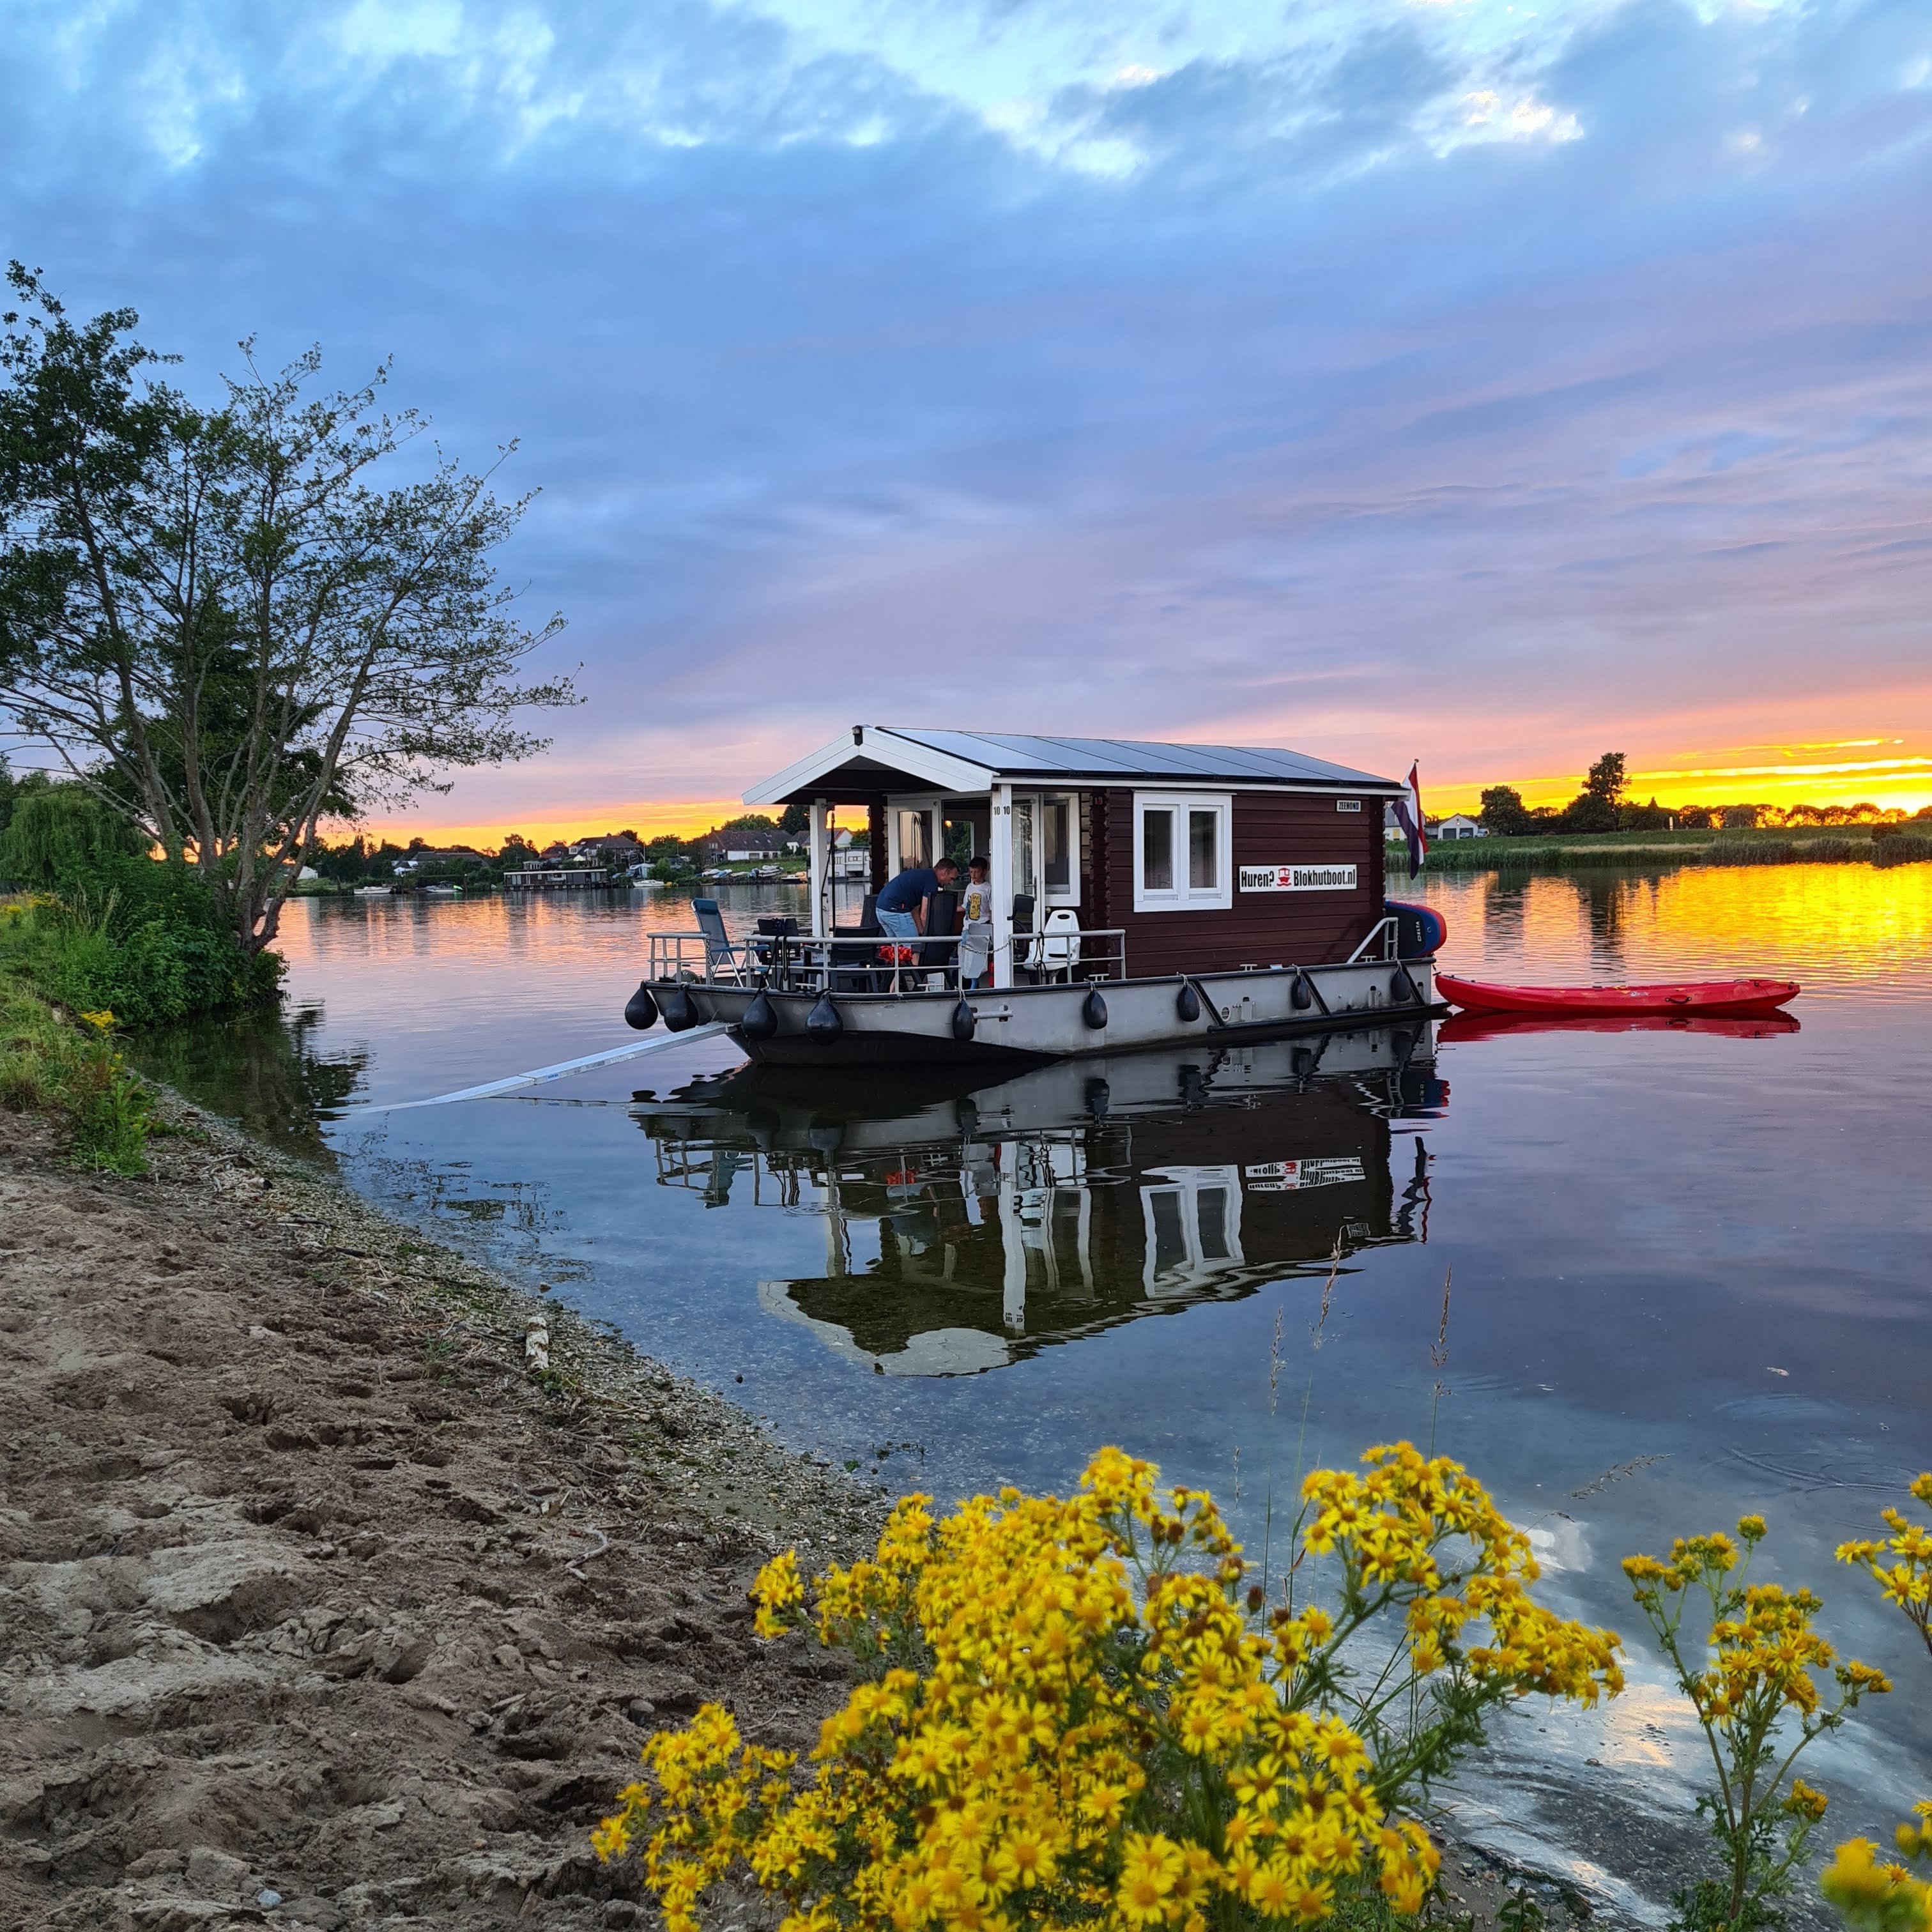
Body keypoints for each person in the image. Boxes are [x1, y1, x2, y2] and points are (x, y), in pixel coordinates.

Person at [875, 855, 957, 940]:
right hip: (895, 910)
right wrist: (931, 938)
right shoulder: (932, 881)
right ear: (945, 872)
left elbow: (915, 911)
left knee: (899, 949)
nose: (951, 883)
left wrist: (922, 934)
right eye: (952, 879)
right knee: (914, 948)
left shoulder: (925, 876)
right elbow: (924, 914)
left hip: (881, 909)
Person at [958, 855, 992, 987]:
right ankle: (968, 985)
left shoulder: (987, 888)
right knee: (966, 958)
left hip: (981, 927)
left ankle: (974, 985)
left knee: (977, 959)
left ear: (984, 871)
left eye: (976, 872)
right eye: (971, 872)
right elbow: (965, 906)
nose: (973, 875)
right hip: (967, 927)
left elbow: (991, 910)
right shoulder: (969, 887)